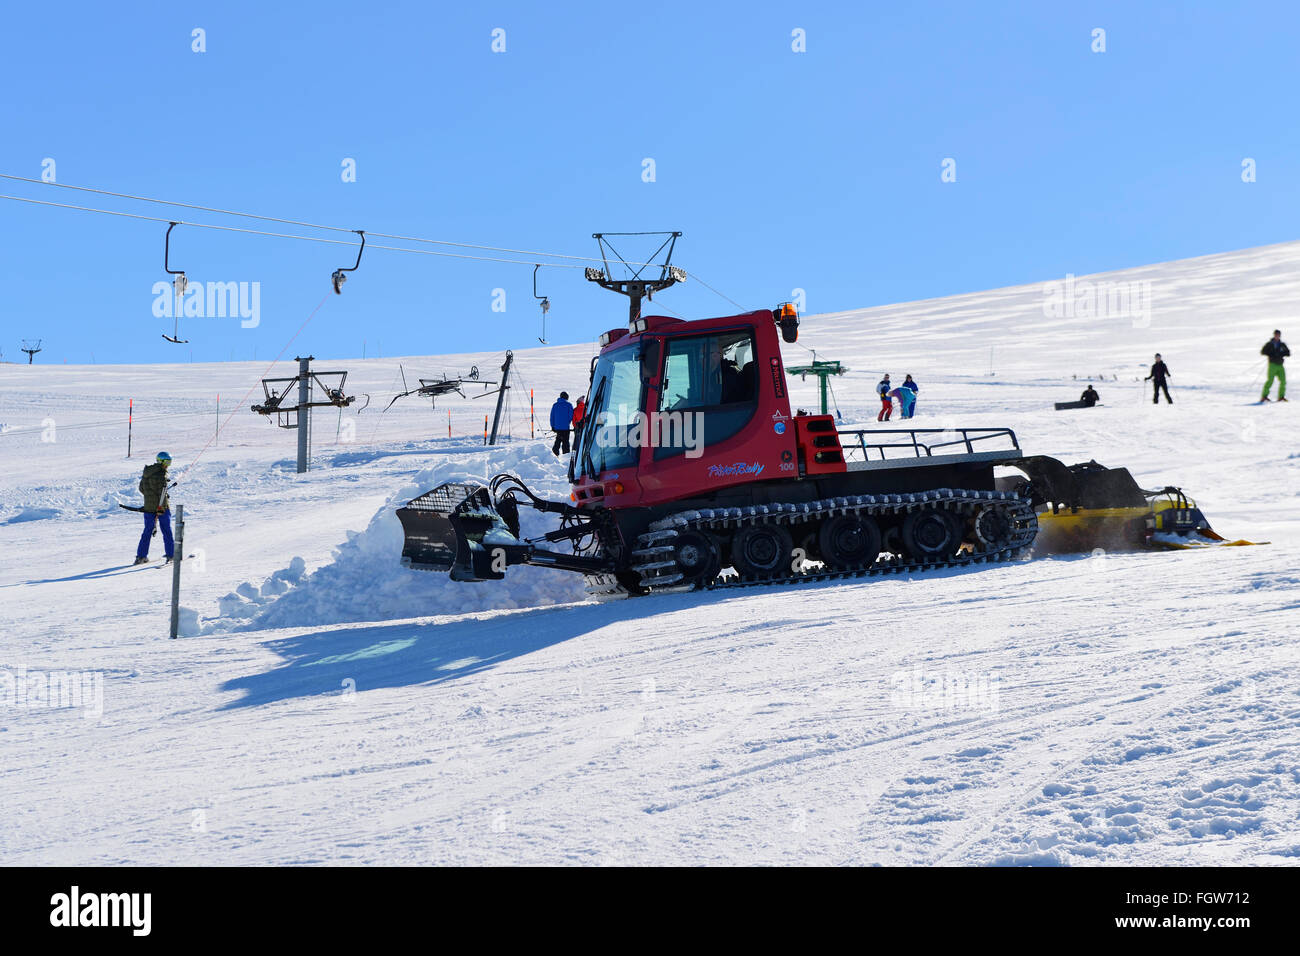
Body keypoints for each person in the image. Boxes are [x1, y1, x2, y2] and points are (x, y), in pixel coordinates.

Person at [134, 451, 175, 565]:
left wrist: (150, 497)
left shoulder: (147, 472)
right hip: (161, 507)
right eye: (167, 462)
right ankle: (171, 555)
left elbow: (141, 488)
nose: (168, 465)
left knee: (147, 531)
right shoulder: (161, 474)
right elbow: (162, 493)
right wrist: (161, 507)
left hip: (148, 507)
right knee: (166, 530)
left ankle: (141, 557)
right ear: (161, 461)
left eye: (170, 462)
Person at [1261, 330, 1290, 402]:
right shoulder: (1269, 344)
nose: (1277, 336)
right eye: (1276, 334)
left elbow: (1288, 353)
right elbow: (1263, 351)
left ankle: (1281, 397)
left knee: (1283, 381)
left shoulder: (1282, 344)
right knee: (1270, 381)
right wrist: (1270, 354)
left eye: (1278, 335)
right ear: (1274, 335)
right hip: (1272, 365)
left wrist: (1282, 354)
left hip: (1280, 365)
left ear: (1280, 335)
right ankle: (1264, 396)